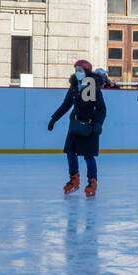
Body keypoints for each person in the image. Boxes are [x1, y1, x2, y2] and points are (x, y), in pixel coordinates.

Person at [47, 59, 106, 196]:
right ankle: (74, 178)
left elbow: (101, 108)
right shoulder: (74, 86)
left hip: (90, 125)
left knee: (88, 155)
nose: (77, 72)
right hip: (75, 125)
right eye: (76, 70)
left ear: (86, 72)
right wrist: (54, 119)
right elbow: (66, 105)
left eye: (80, 70)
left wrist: (98, 123)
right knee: (70, 151)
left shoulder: (93, 87)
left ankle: (92, 181)